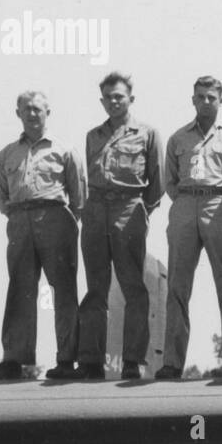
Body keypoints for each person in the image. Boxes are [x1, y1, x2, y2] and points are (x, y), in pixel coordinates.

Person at [0, 91, 87, 381]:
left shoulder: (64, 150)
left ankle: (67, 360)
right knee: (20, 288)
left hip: (55, 218)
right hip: (19, 220)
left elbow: (79, 197)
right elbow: (2, 194)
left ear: (48, 113)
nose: (32, 114)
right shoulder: (7, 154)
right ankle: (14, 359)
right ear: (18, 113)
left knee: (63, 289)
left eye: (38, 109)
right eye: (26, 109)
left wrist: (64, 221)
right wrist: (19, 216)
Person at [155, 77, 222, 381]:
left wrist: (221, 203)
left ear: (221, 101)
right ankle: (172, 362)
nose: (205, 102)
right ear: (192, 100)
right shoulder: (178, 139)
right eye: (200, 97)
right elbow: (169, 180)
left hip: (219, 206)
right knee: (178, 287)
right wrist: (187, 203)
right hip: (184, 205)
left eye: (211, 97)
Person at [78, 72, 163, 380]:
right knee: (95, 289)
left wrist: (142, 210)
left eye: (119, 96)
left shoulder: (148, 133)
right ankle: (90, 360)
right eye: (108, 97)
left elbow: (158, 181)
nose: (114, 101)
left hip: (129, 207)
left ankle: (132, 361)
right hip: (96, 208)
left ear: (131, 99)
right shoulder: (93, 135)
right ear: (102, 101)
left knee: (133, 287)